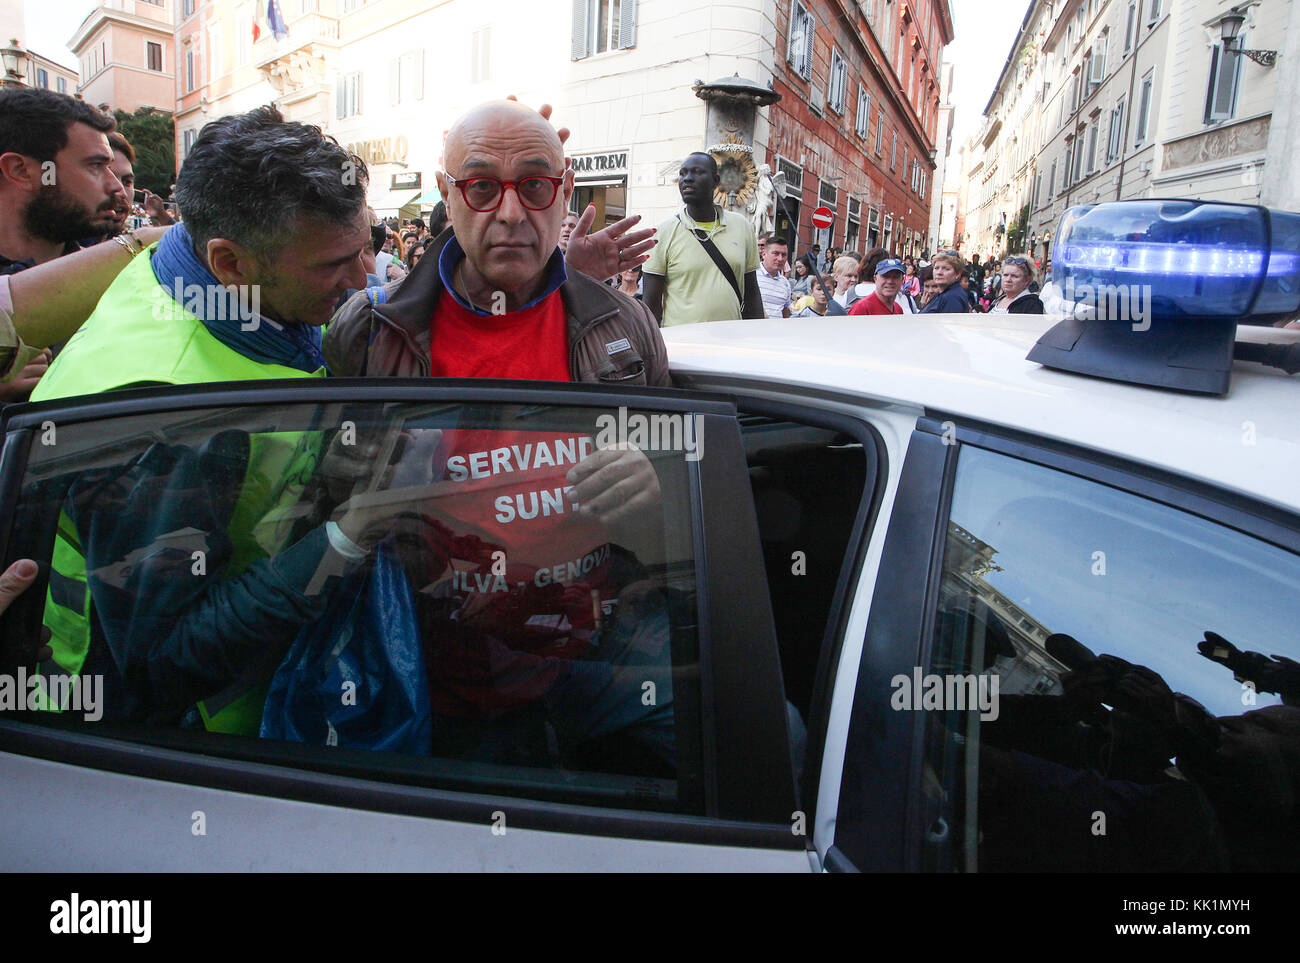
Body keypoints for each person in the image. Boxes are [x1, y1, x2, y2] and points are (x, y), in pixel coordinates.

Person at [324, 100, 675, 764]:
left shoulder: (625, 329)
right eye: (482, 187)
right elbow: (318, 486)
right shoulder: (368, 331)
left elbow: (692, 479)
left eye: (535, 186)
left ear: (565, 190)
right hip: (432, 668)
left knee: (771, 740)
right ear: (447, 193)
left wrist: (657, 480)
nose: (511, 213)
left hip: (597, 652)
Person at [642, 152, 763, 326]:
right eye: (683, 173)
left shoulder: (741, 226)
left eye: (697, 172)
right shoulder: (663, 232)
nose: (687, 179)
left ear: (715, 181)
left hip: (732, 343)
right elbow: (651, 304)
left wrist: (756, 336)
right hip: (683, 345)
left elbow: (752, 293)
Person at [755, 233, 792, 318]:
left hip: (778, 330)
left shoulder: (785, 283)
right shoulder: (752, 276)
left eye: (784, 255)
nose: (780, 259)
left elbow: (784, 312)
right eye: (776, 253)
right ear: (764, 254)